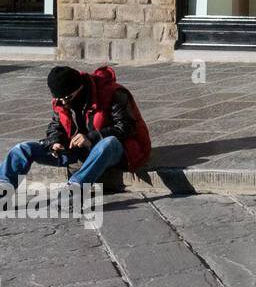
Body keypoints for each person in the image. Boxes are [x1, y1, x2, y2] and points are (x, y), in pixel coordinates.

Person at [1, 65, 152, 195]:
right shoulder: (61, 100)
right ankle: (3, 189)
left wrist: (91, 138)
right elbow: (56, 125)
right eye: (58, 99)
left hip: (113, 149)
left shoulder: (113, 93)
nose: (62, 103)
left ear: (79, 88)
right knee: (22, 149)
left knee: (108, 143)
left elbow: (127, 127)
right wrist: (55, 141)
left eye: (66, 98)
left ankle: (75, 188)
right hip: (76, 150)